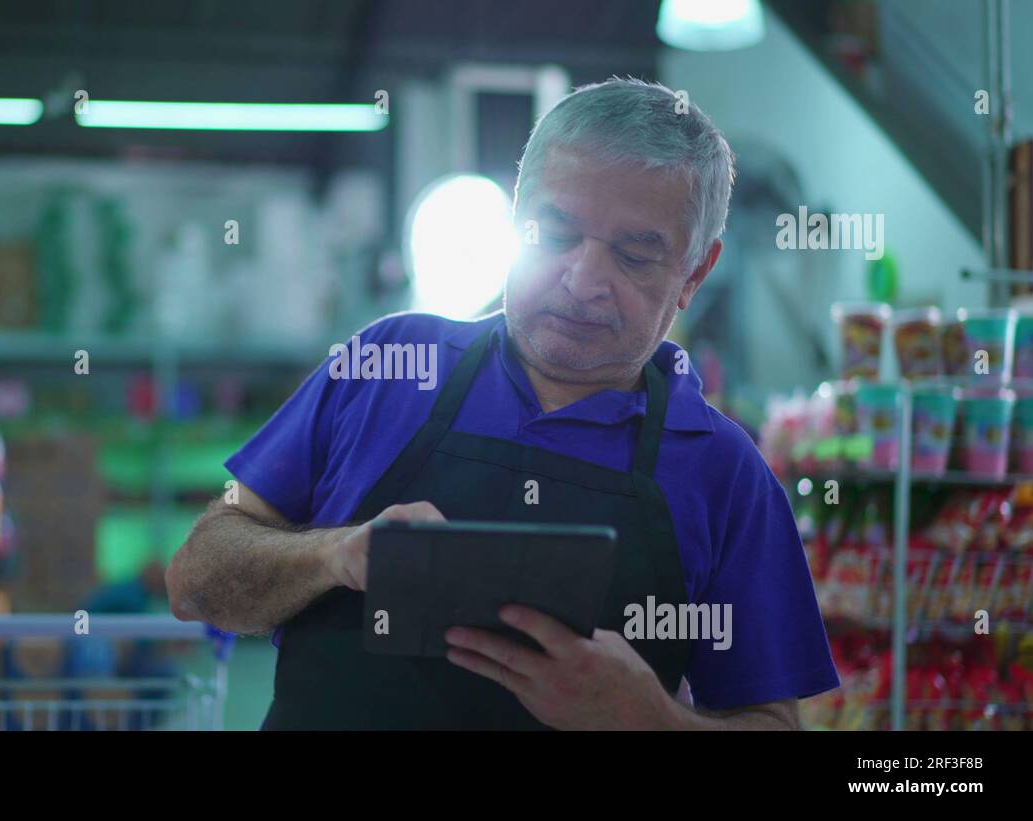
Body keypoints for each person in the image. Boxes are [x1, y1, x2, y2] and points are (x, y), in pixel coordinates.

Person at [166, 77, 839, 730]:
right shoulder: (389, 366)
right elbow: (196, 574)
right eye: (554, 235)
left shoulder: (725, 473)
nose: (582, 281)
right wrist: (333, 554)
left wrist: (648, 719)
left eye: (635, 256)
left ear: (696, 271)